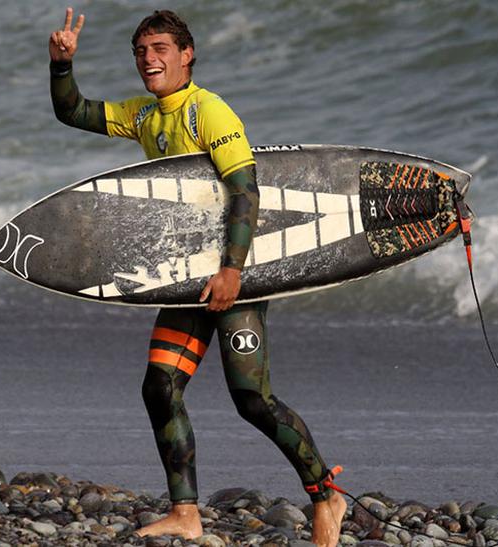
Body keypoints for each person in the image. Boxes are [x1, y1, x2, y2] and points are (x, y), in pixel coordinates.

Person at [48, 8, 347, 544]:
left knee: (252, 399)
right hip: (186, 276)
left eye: (160, 49)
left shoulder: (207, 111)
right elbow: (74, 112)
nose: (148, 59)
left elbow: (246, 191)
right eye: (141, 51)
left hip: (236, 275)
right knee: (160, 387)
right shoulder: (144, 115)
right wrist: (61, 64)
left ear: (187, 55)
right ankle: (185, 513)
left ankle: (327, 495)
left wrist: (232, 271)